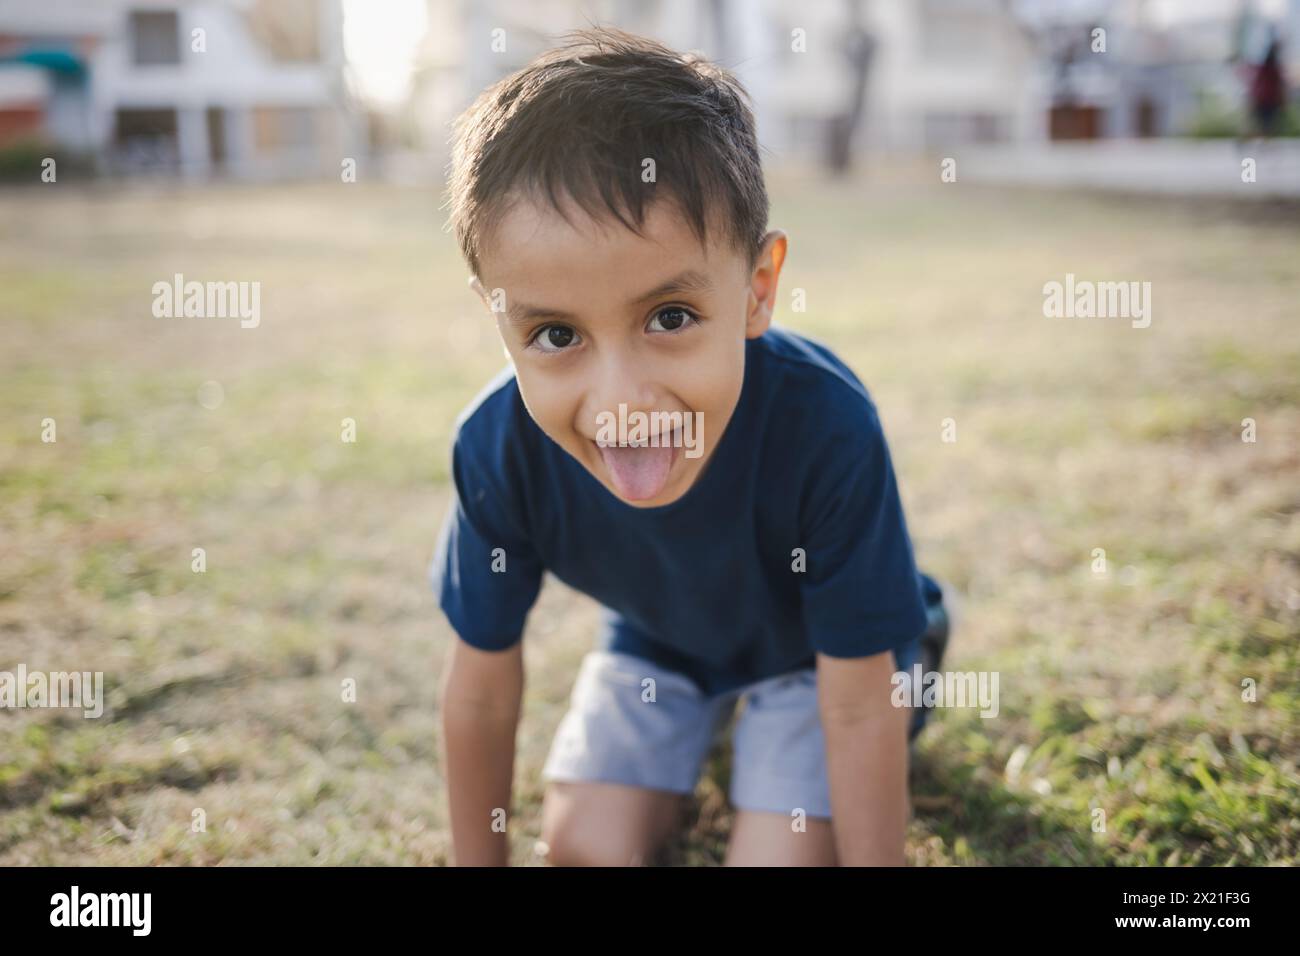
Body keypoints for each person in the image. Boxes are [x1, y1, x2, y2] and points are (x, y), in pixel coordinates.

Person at [431, 26, 952, 867]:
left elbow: (859, 707)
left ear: (757, 290)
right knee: (585, 850)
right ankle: (710, 718)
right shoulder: (497, 449)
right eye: (556, 334)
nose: (621, 402)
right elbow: (481, 693)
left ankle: (889, 655)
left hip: (825, 656)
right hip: (660, 646)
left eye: (669, 318)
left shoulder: (826, 423)